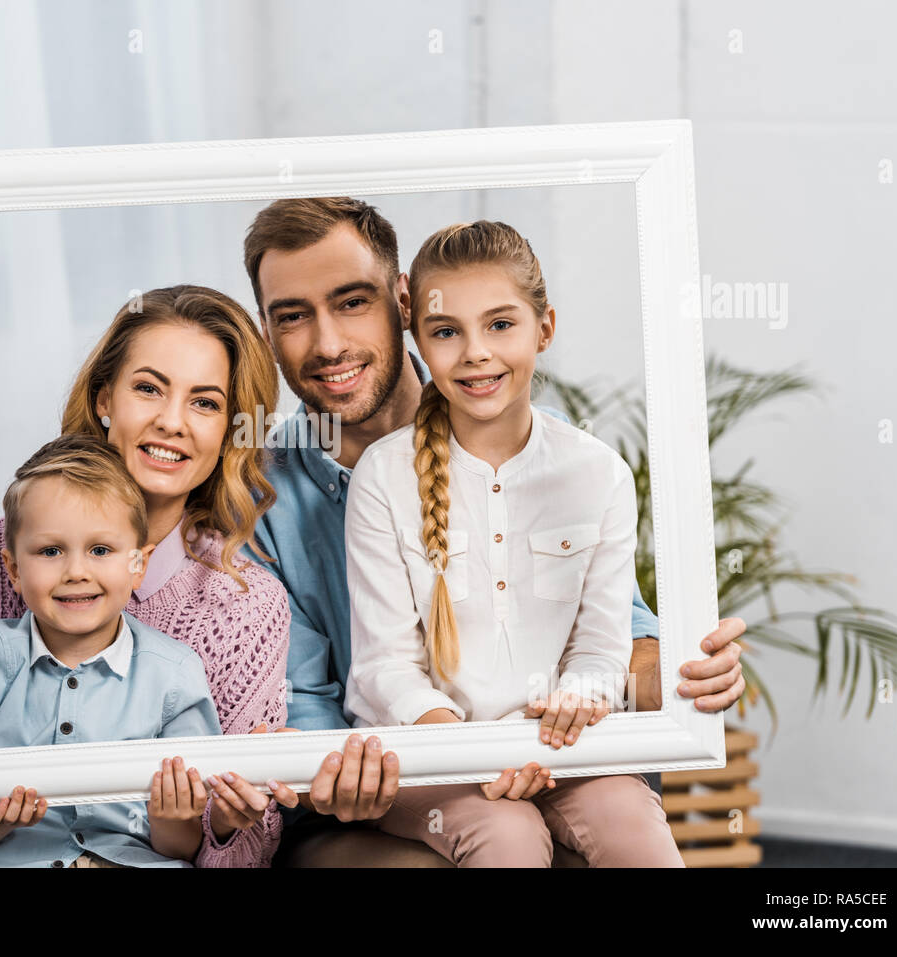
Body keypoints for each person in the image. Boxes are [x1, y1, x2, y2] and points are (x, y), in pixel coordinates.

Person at [243, 197, 747, 865]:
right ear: (266, 330)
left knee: (621, 825)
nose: (329, 342)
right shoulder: (260, 501)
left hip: (547, 749)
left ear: (402, 304)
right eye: (293, 316)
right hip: (378, 790)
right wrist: (450, 757)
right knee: (498, 837)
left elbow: (617, 638)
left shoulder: (560, 457)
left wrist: (688, 673)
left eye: (351, 302)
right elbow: (315, 710)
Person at [0, 285, 301, 867]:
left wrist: (229, 820)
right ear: (105, 398)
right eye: (148, 389)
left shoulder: (246, 606)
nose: (171, 422)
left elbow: (241, 856)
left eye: (205, 403)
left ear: (232, 430)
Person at [345, 220, 682, 866]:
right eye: (447, 332)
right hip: (429, 753)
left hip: (563, 743)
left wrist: (567, 713)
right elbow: (386, 667)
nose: (475, 352)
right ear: (420, 338)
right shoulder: (383, 478)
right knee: (508, 836)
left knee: (632, 825)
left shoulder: (600, 474)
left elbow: (601, 646)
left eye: (501, 324)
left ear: (544, 328)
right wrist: (481, 754)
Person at [0, 434, 223, 867]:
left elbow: (180, 847)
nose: (76, 572)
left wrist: (171, 816)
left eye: (100, 550)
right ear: (13, 569)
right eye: (50, 551)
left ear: (138, 564)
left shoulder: (175, 673)